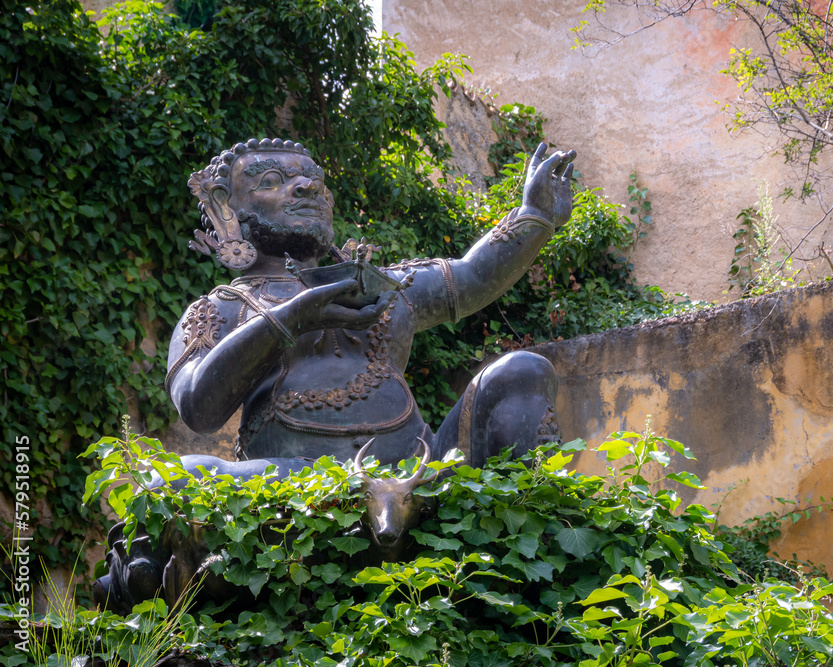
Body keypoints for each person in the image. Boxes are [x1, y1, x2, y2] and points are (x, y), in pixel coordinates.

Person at [95, 138, 575, 611]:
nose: (306, 187)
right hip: (288, 487)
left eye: (316, 182)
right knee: (181, 477)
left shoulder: (384, 288)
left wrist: (535, 216)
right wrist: (294, 317)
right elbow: (198, 406)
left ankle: (537, 563)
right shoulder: (219, 309)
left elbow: (471, 275)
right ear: (226, 208)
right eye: (272, 180)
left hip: (421, 478)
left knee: (521, 371)